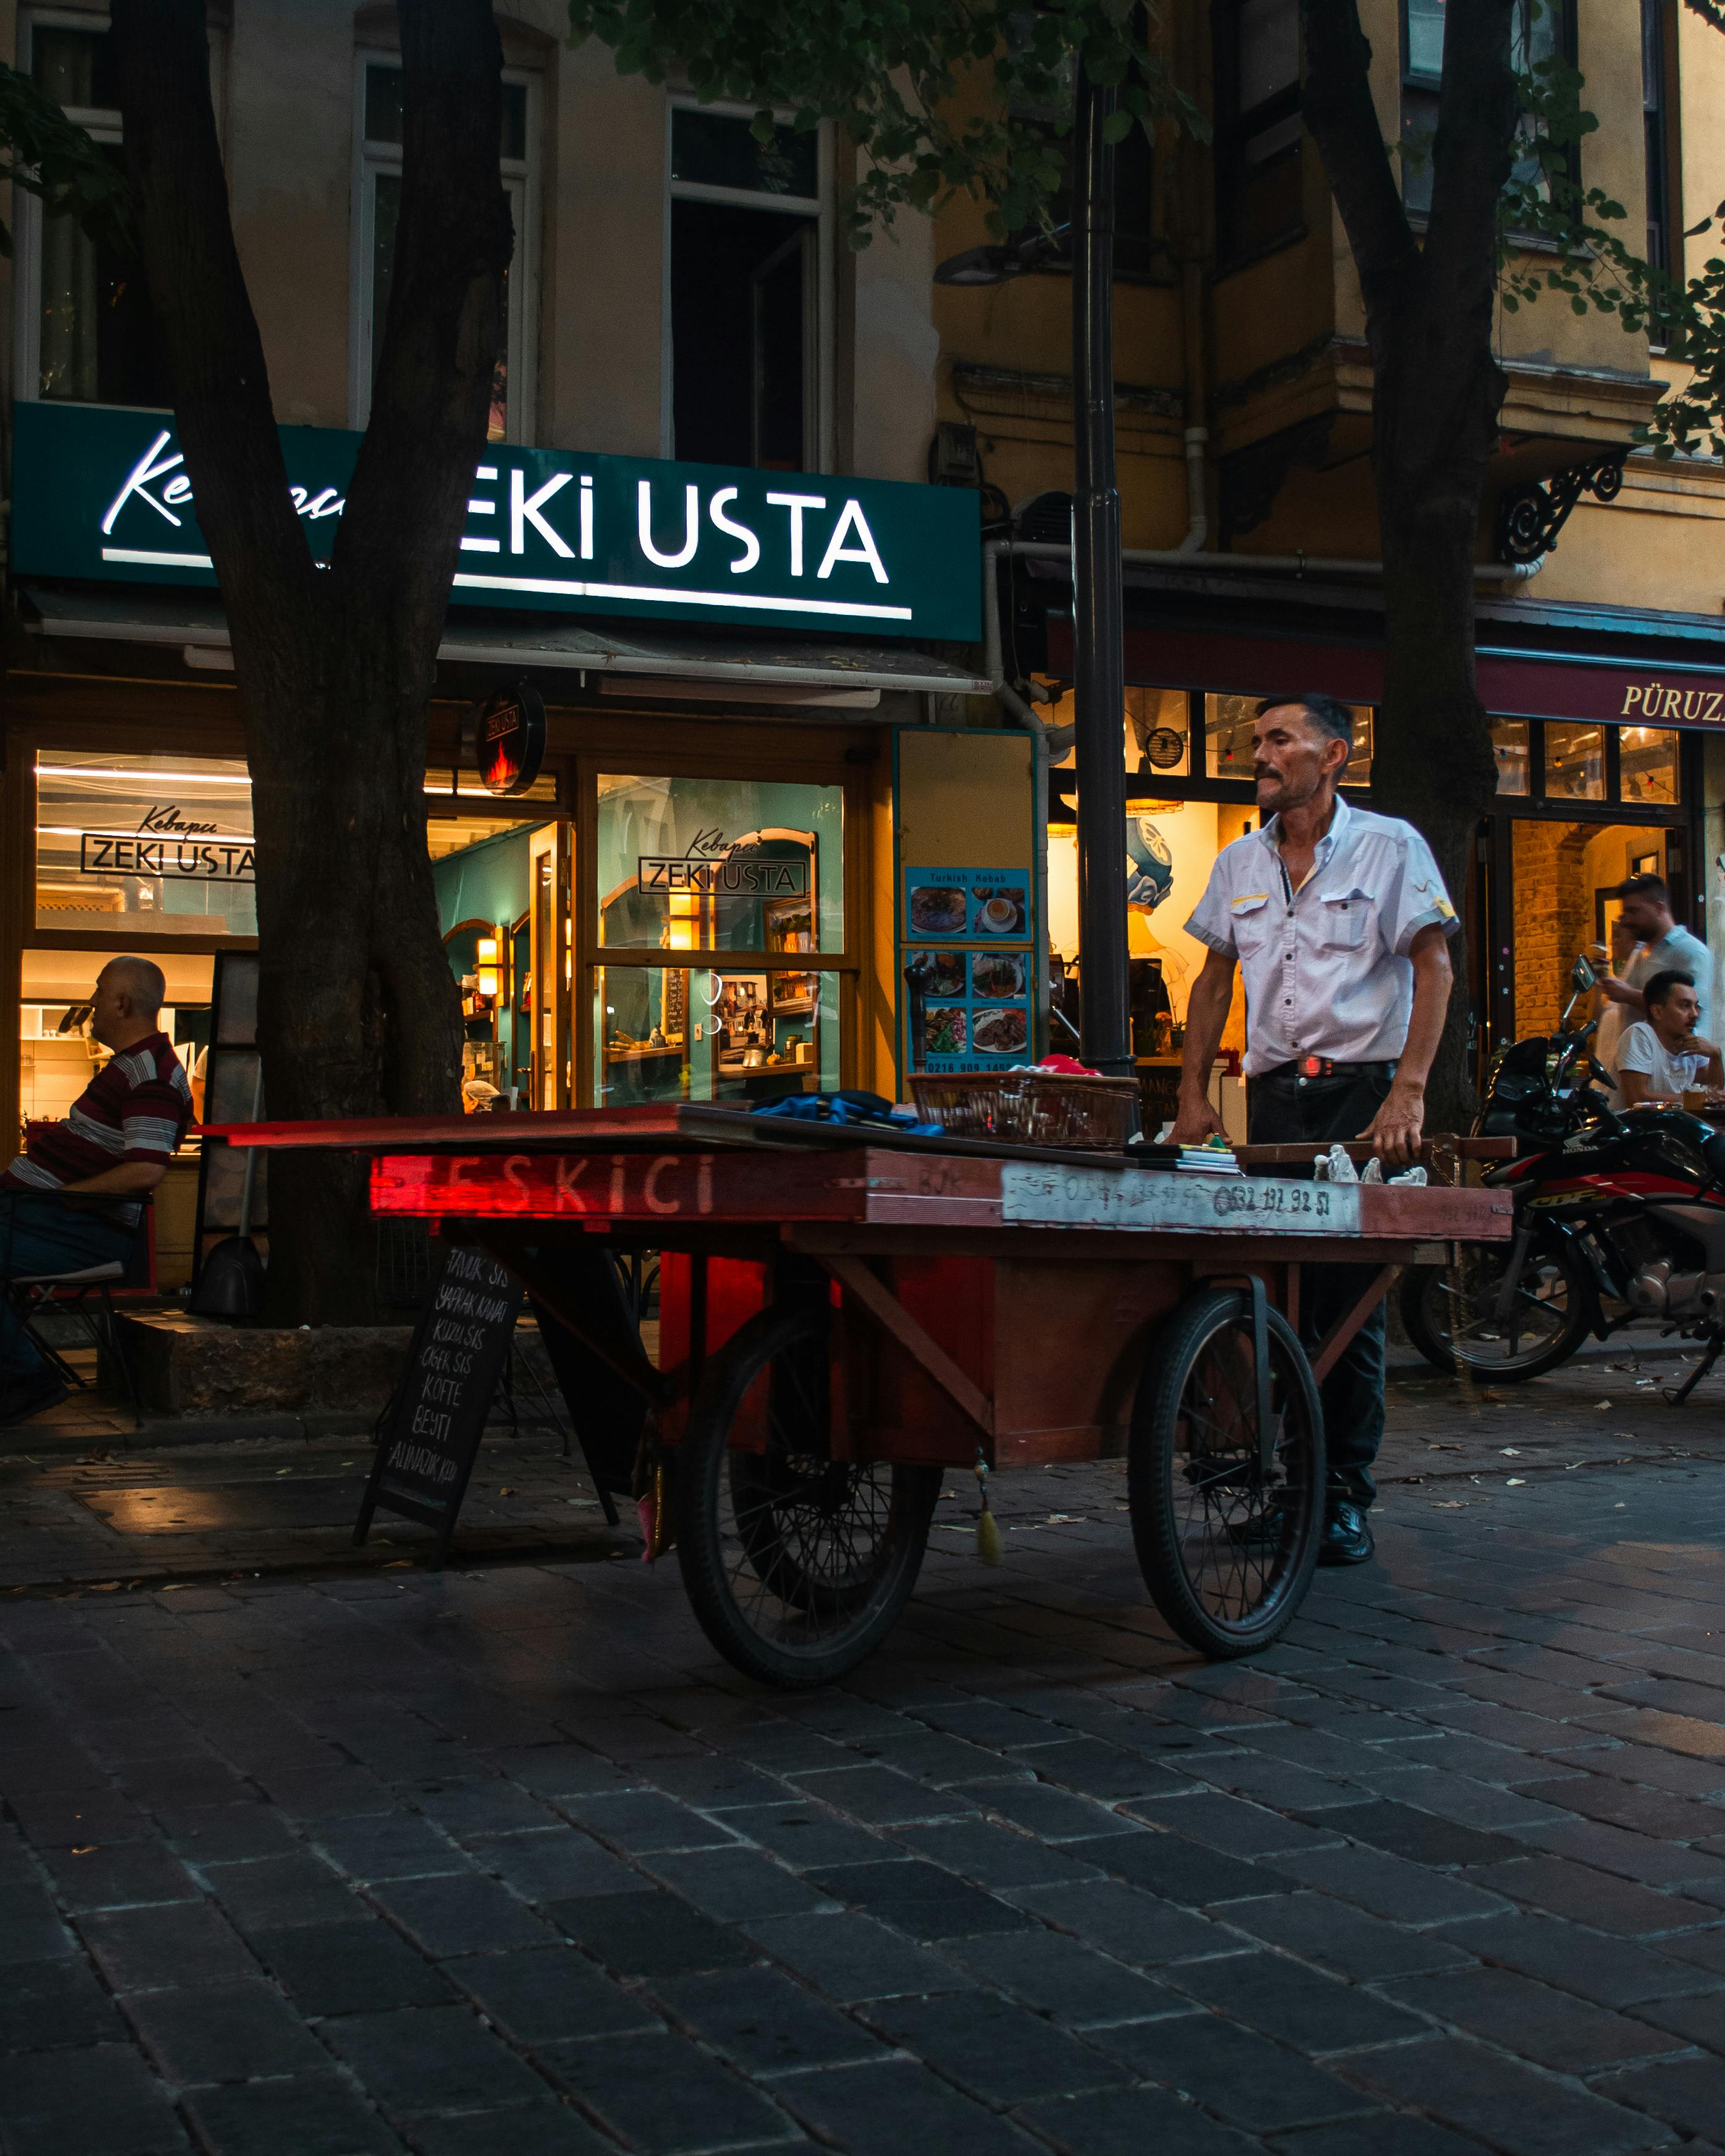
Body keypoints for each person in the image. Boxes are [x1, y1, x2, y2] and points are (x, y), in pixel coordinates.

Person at [1172, 694, 1457, 1568]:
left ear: (1334, 754)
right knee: (1277, 1303)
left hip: (1359, 1102)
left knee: (1348, 1305)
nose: (1260, 753)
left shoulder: (1391, 846)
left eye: (1278, 739)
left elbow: (1434, 967)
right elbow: (1215, 983)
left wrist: (1407, 1095)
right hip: (1277, 1101)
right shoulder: (1237, 862)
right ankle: (1291, 1489)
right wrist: (1193, 1095)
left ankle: (1341, 1501)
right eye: (1257, 740)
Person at [0, 958, 193, 1422]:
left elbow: (145, 1170)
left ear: (122, 1002)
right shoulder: (133, 1066)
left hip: (71, 1228)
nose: (91, 1002)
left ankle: (27, 1381)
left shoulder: (150, 1074)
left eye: (98, 991)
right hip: (43, 1218)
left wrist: (66, 1195)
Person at [1601, 873, 1709, 1037]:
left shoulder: (1691, 952)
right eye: (1625, 913)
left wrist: (1629, 995)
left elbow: (1692, 1017)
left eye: (1633, 912)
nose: (1625, 921)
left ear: (1659, 908)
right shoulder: (1640, 953)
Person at [1614, 970, 1724, 1107]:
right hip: (1642, 1127)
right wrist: (1699, 1099)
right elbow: (1637, 1098)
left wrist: (1716, 1055)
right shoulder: (1640, 1034)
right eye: (1685, 1006)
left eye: (1695, 1006)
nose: (1695, 1014)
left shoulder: (1692, 1039)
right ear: (1657, 1012)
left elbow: (1714, 1094)